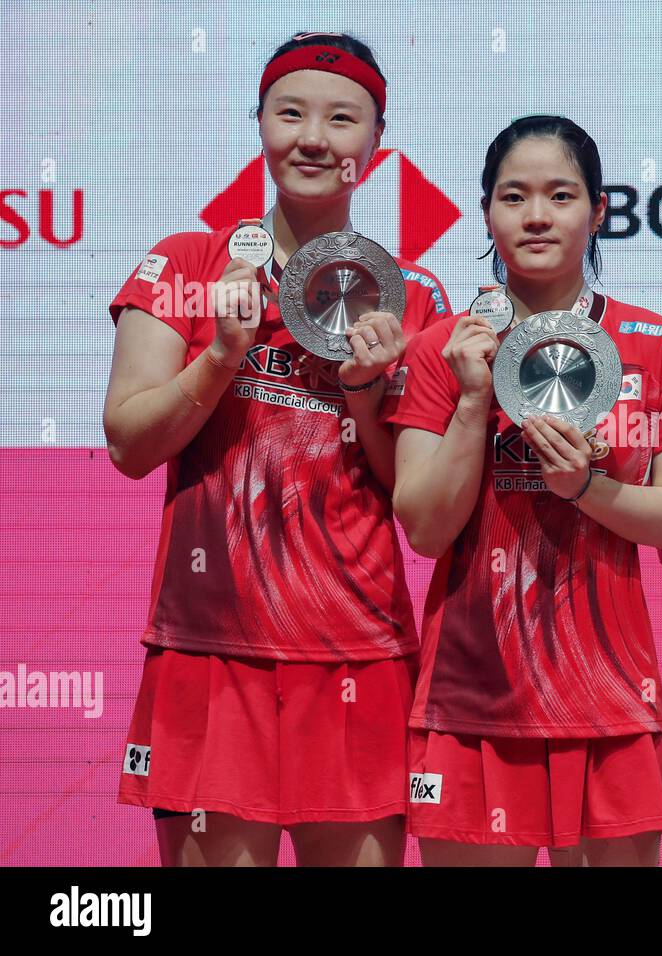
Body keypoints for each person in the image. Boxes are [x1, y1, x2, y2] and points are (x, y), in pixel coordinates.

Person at [104, 31, 452, 866]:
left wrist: (367, 389)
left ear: (374, 144)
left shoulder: (413, 297)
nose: (313, 137)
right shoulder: (186, 265)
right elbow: (128, 443)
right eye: (289, 112)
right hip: (209, 651)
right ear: (257, 122)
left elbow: (417, 508)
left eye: (342, 118)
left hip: (358, 654)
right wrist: (221, 356)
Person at [385, 115, 662, 867]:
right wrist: (472, 400)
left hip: (610, 698)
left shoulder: (656, 348)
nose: (535, 216)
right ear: (486, 210)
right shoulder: (442, 347)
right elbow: (426, 529)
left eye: (560, 195)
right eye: (512, 196)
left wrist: (585, 488)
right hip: (473, 698)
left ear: (598, 211)